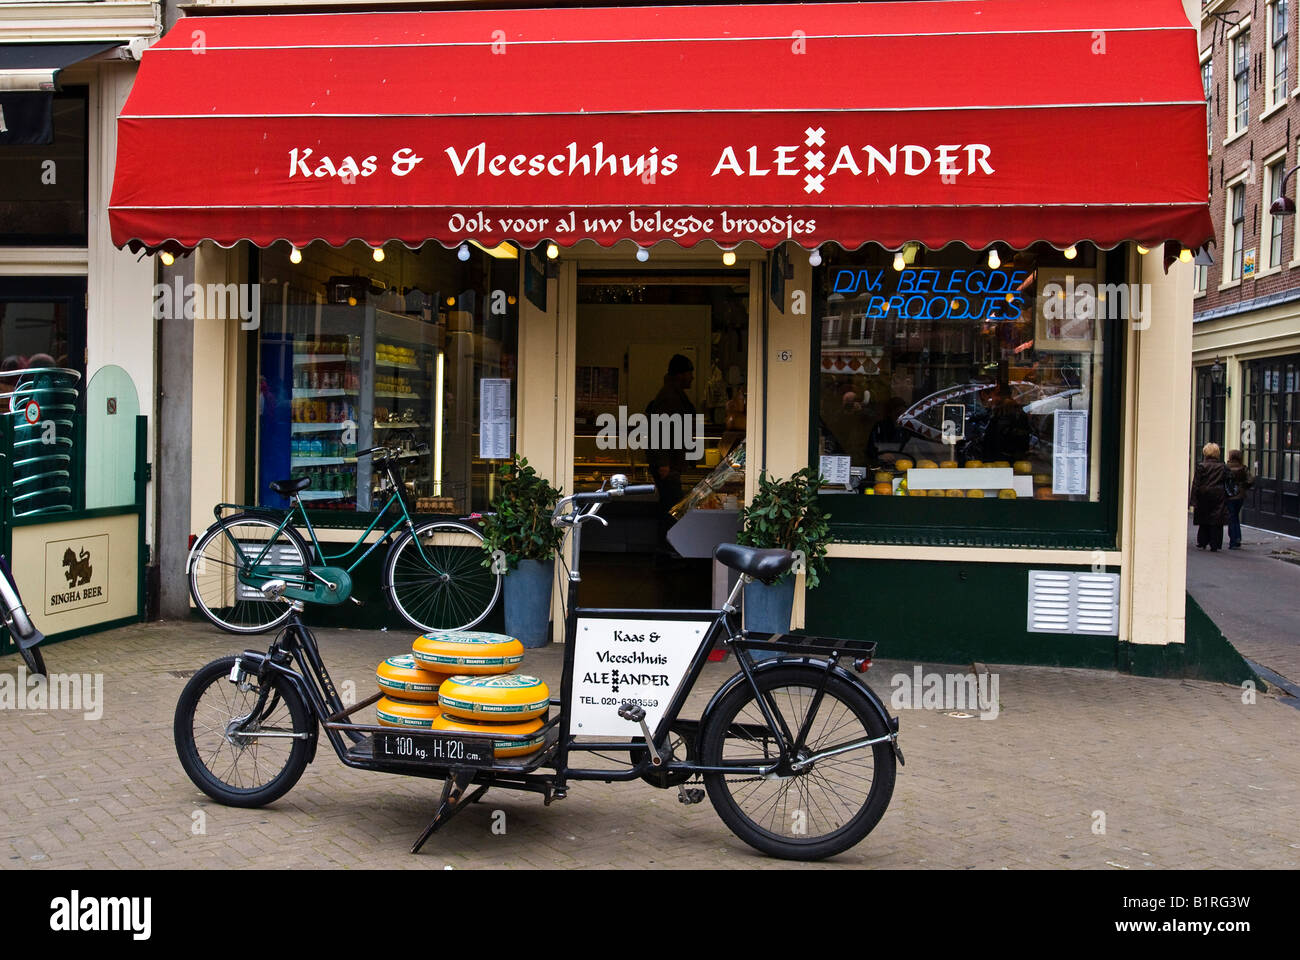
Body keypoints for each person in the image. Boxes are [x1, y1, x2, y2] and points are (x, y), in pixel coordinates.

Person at [646, 353, 696, 547]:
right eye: (690, 373)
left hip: (670, 462)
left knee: (670, 507)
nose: (692, 377)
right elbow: (661, 429)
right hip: (668, 464)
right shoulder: (670, 397)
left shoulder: (671, 394)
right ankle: (667, 551)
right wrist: (664, 463)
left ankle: (667, 551)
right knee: (672, 509)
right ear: (680, 374)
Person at [1189, 442, 1228, 552]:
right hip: (1218, 494)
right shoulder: (1222, 467)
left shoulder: (1201, 466)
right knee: (1216, 519)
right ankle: (1215, 543)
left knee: (1204, 518)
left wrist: (1193, 499)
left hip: (1204, 494)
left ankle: (1202, 541)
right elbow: (1228, 480)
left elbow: (1196, 483)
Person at [1224, 448, 1253, 550]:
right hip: (1240, 496)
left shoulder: (1226, 467)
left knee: (1231, 518)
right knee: (1235, 516)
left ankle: (1233, 541)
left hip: (1229, 495)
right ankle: (1237, 539)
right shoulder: (1243, 468)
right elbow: (1250, 480)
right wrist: (1243, 487)